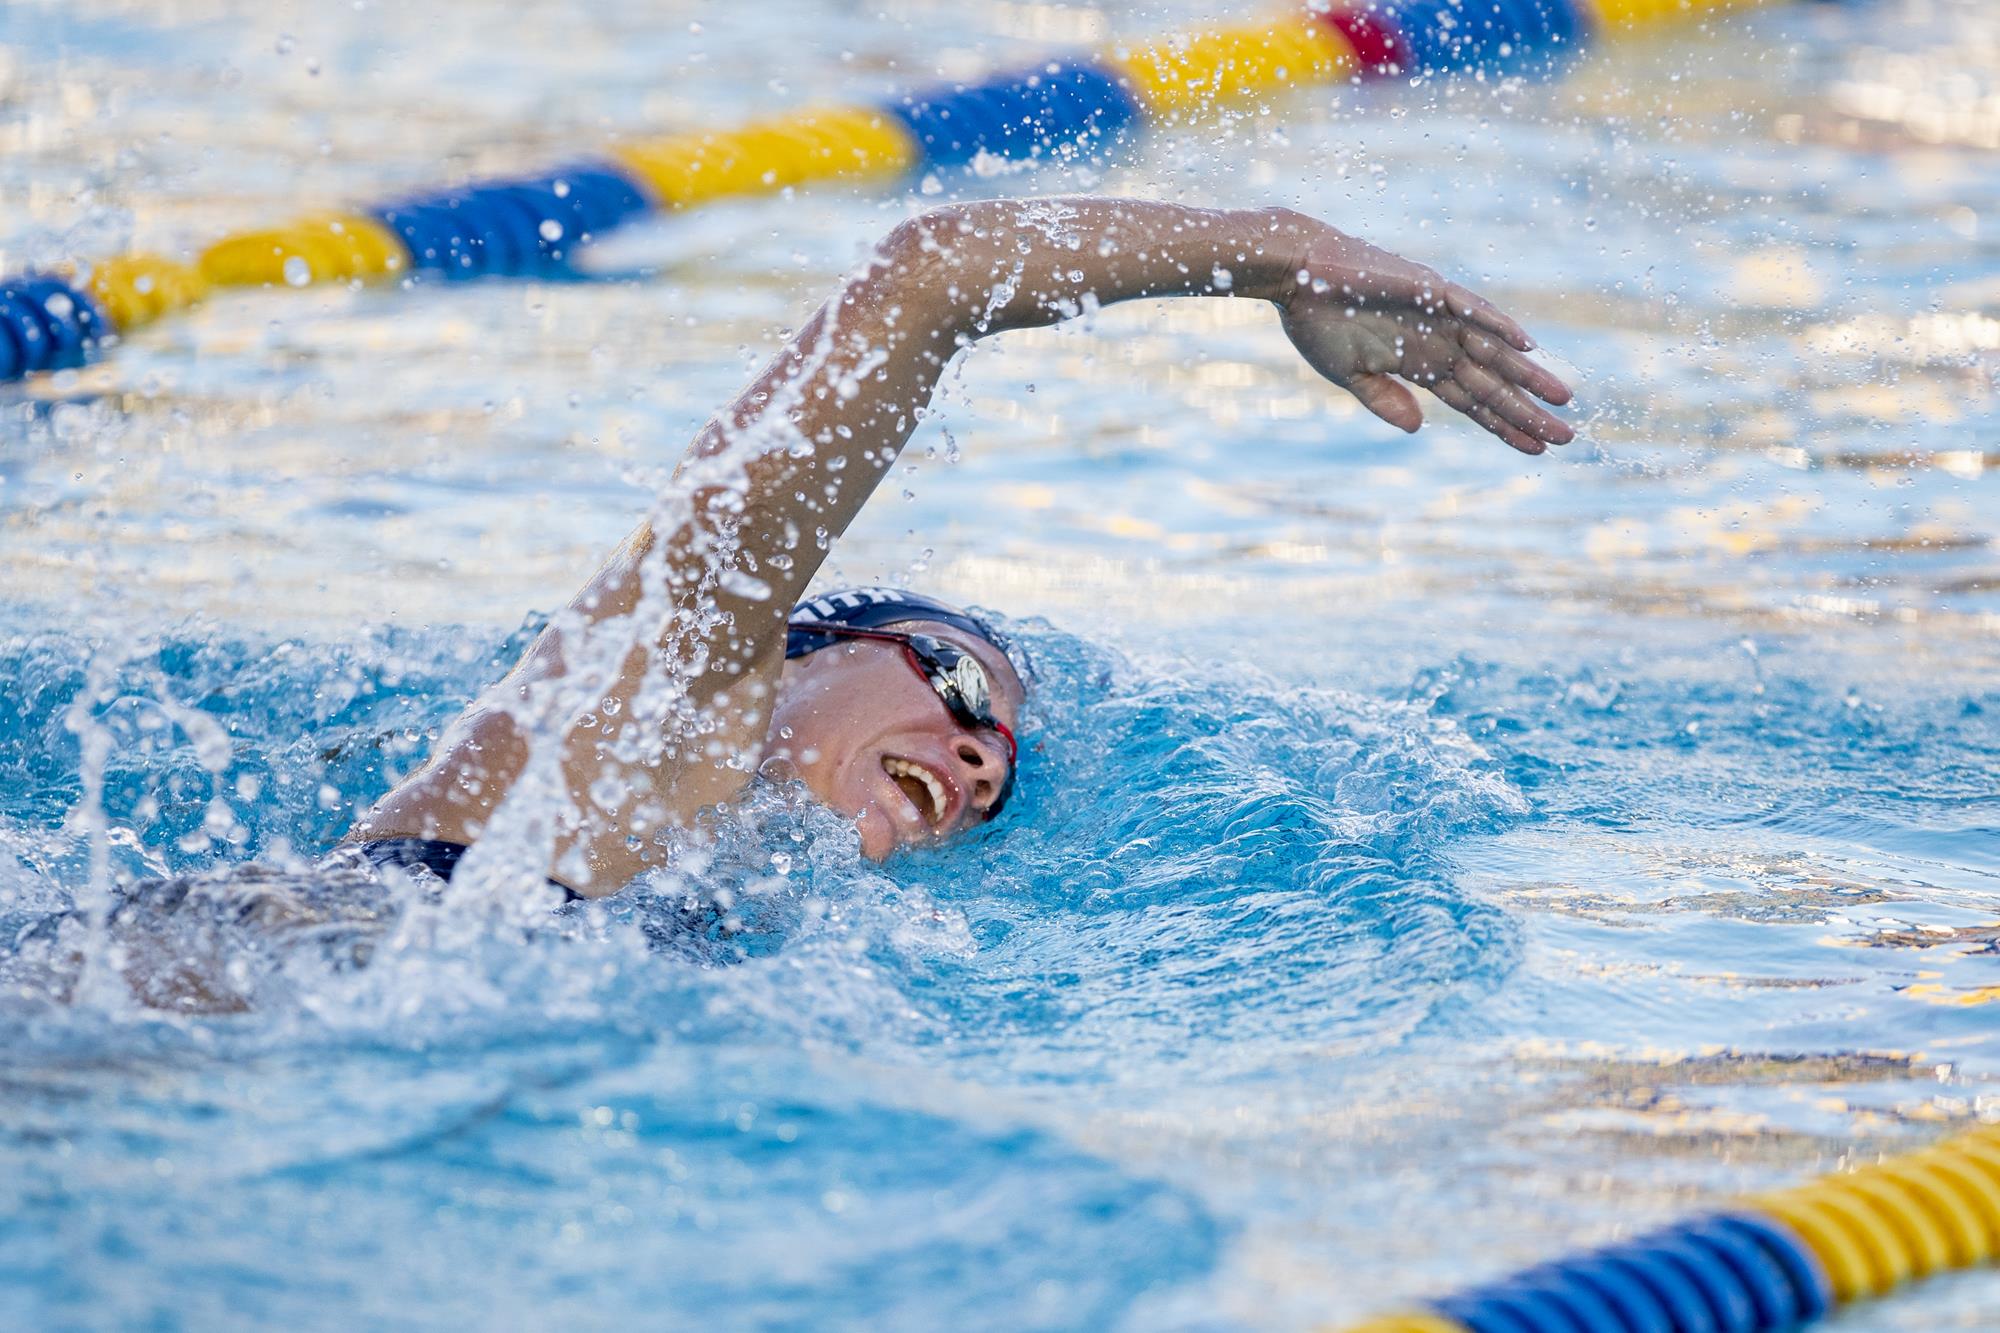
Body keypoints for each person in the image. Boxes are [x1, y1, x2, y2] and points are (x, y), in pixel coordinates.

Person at [339, 196, 1574, 898]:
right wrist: (1275, 254)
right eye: (962, 687)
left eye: (998, 765)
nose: (980, 760)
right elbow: (922, 279)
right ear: (806, 650)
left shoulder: (717, 887)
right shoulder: (672, 683)